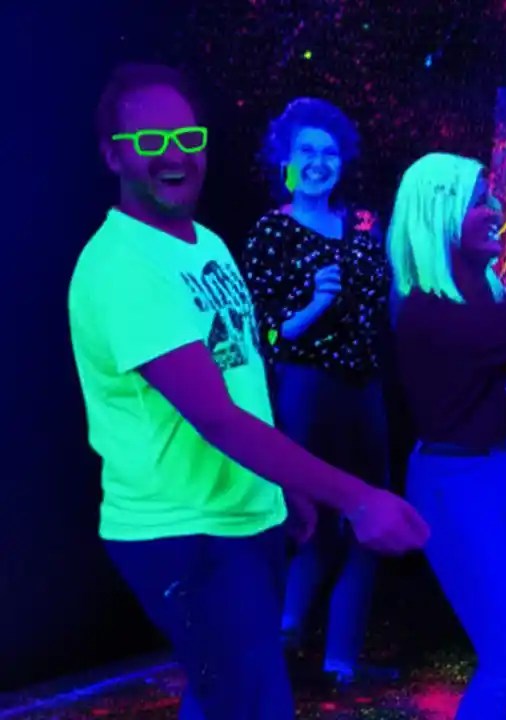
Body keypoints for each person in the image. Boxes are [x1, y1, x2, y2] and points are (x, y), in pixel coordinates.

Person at [68, 64, 428, 720]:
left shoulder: (202, 243)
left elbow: (243, 373)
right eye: (150, 141)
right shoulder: (124, 268)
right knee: (253, 701)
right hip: (185, 532)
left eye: (187, 138)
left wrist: (279, 488)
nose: (174, 155)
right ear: (112, 155)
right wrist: (356, 498)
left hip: (238, 516)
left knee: (225, 696)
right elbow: (218, 418)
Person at [388, 152, 506, 720]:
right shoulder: (425, 310)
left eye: (490, 197)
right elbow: (494, 334)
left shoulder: (483, 291)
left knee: (505, 640)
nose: (495, 209)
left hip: (503, 470)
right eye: (477, 201)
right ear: (439, 213)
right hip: (456, 480)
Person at [241, 97, 396, 684]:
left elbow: (385, 307)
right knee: (310, 519)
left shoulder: (361, 227)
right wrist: (313, 306)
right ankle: (277, 641)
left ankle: (341, 663)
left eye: (329, 152)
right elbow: (264, 333)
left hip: (364, 389)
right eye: (306, 150)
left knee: (370, 518)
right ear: (284, 158)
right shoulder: (271, 230)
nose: (318, 161)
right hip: (306, 389)